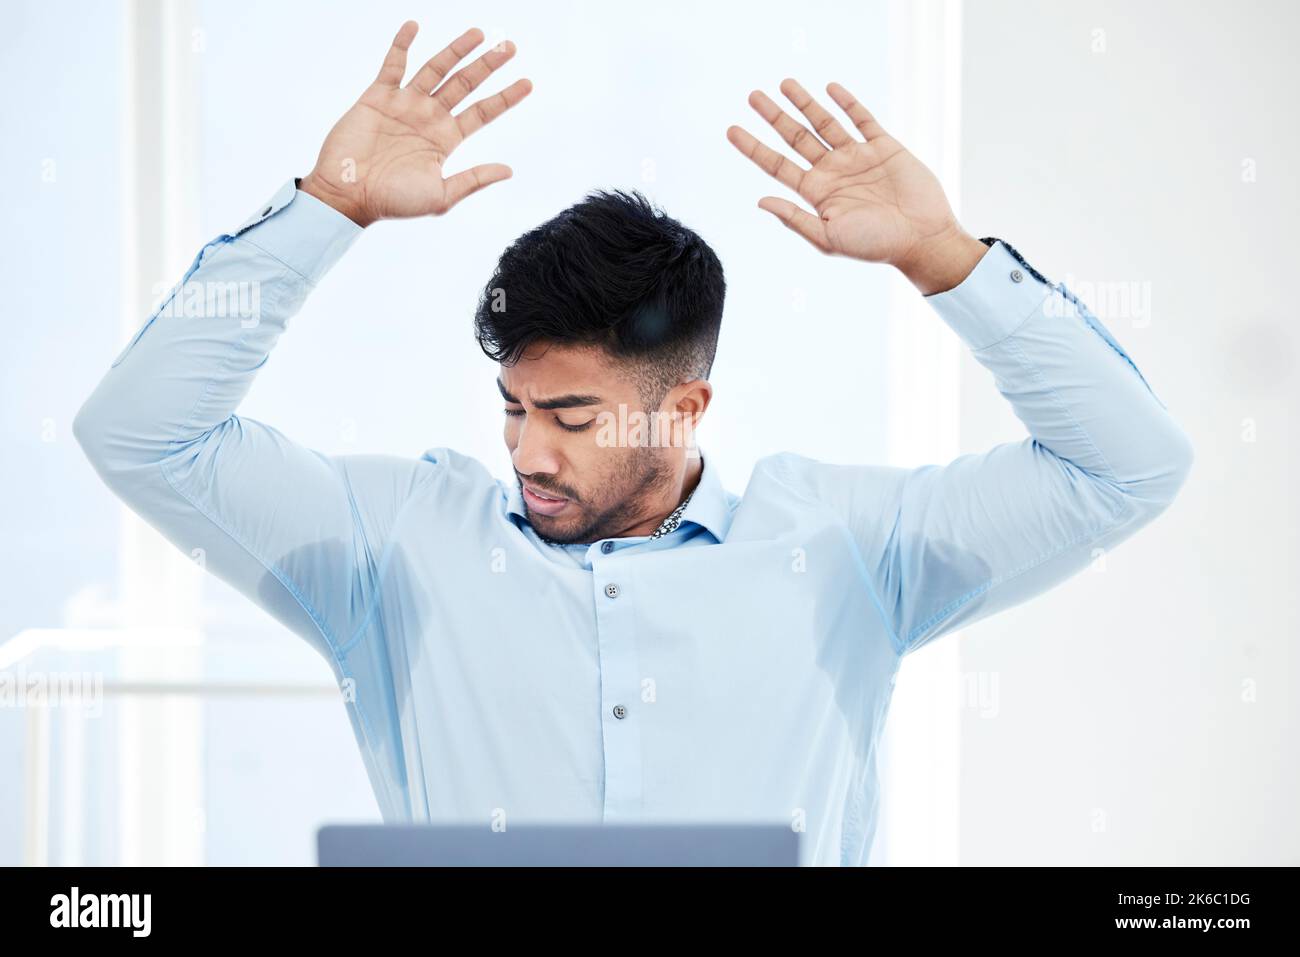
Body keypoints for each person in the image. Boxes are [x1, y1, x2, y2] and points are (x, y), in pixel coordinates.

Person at [73, 21, 1193, 866]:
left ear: (685, 408)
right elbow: (139, 434)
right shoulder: (393, 548)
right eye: (514, 408)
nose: (527, 454)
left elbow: (1128, 465)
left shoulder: (855, 549)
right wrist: (330, 205)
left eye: (570, 419)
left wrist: (944, 256)